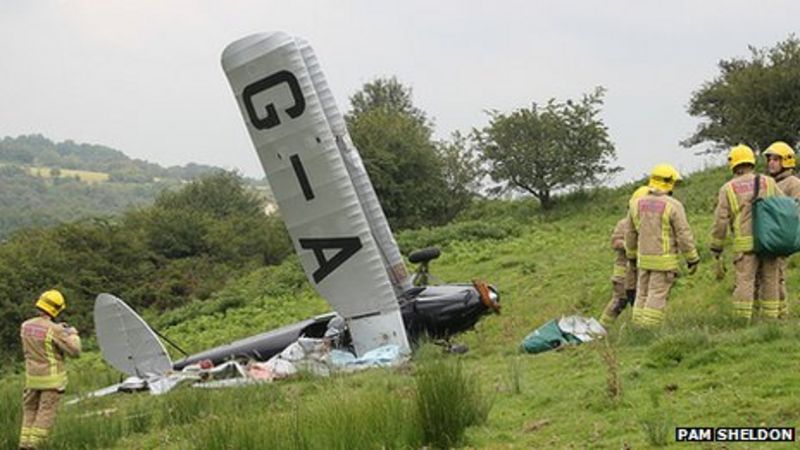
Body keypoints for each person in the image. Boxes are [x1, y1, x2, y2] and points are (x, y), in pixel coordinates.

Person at [710, 144, 781, 321]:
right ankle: (771, 321)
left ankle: (742, 321)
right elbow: (784, 206)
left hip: (745, 245)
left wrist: (716, 247)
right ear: (751, 161)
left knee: (745, 282)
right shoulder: (769, 182)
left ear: (733, 164)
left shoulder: (728, 188)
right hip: (769, 241)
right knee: (771, 280)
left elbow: (721, 220)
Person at [625, 164, 699, 328]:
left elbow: (630, 233)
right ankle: (649, 330)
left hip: (643, 260)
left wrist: (631, 256)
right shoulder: (673, 205)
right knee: (656, 295)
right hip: (664, 261)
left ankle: (637, 327)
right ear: (669, 183)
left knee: (642, 294)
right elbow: (683, 234)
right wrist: (692, 258)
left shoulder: (635, 204)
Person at [19, 290, 81, 450]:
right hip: (51, 381)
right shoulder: (55, 330)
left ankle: (23, 444)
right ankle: (34, 446)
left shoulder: (25, 326)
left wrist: (58, 328)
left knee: (30, 412)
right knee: (45, 415)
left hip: (31, 380)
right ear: (56, 309)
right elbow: (75, 351)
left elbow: (39, 336)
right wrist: (72, 334)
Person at [599, 186, 649, 327]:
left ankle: (640, 329)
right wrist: (631, 245)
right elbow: (615, 243)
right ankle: (600, 331)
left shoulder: (651, 224)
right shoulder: (624, 223)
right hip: (623, 273)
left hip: (642, 272)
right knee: (619, 302)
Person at [763, 141, 800, 318]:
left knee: (777, 276)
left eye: (776, 159)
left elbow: (795, 212)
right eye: (769, 159)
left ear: (786, 161)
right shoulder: (769, 182)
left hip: (782, 238)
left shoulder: (793, 183)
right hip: (769, 237)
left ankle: (782, 314)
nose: (771, 162)